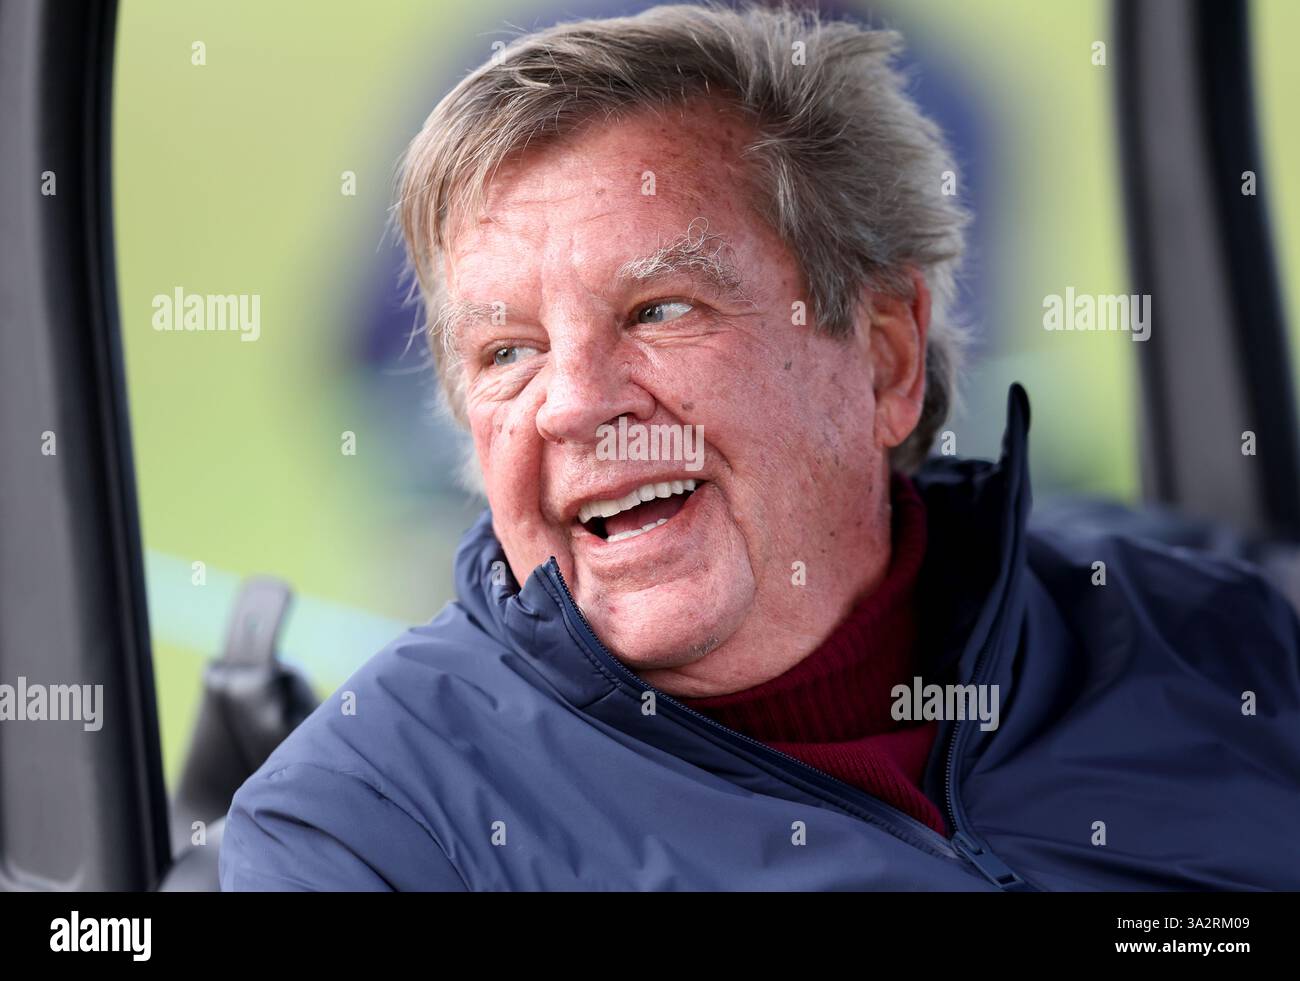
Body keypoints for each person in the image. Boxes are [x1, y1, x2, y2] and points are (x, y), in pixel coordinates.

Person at [219, 3, 1300, 891]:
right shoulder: (371, 834)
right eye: (507, 352)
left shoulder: (1228, 652)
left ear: (886, 358)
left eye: (660, 310)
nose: (573, 404)